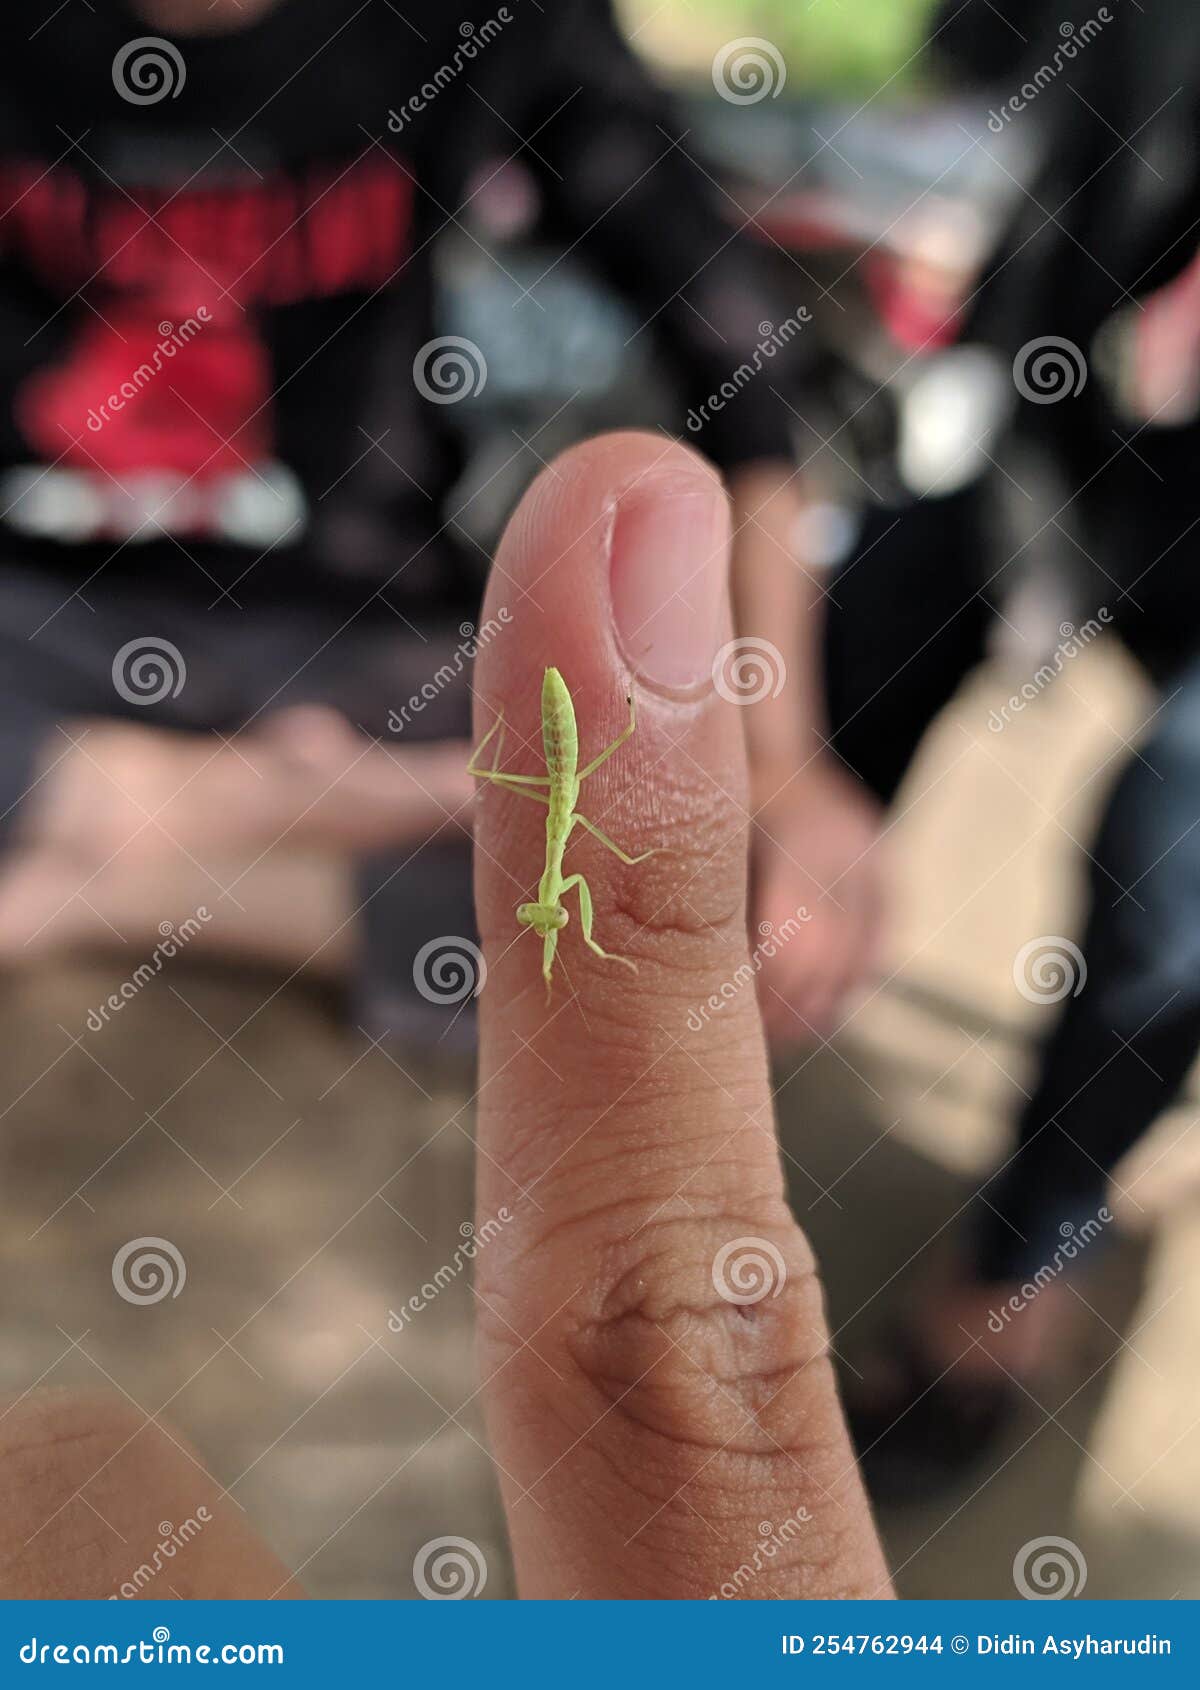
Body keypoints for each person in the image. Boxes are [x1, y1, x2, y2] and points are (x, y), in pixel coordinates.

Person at [0, 434, 892, 1601]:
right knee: (565, 892)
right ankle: (227, 811)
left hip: (380, 656)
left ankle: (182, 836)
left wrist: (781, 758)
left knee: (636, 913)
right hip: (78, 631)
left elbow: (756, 397)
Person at [0, 0, 877, 1043]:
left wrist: (786, 761)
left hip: (366, 646)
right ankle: (278, 808)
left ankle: (134, 850)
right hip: (35, 627)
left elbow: (740, 367)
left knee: (731, 912)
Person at [833, 0, 1200, 1493]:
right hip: (1109, 455)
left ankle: (1010, 1283)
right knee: (882, 596)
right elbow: (993, 74)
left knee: (1170, 844)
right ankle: (694, 1006)